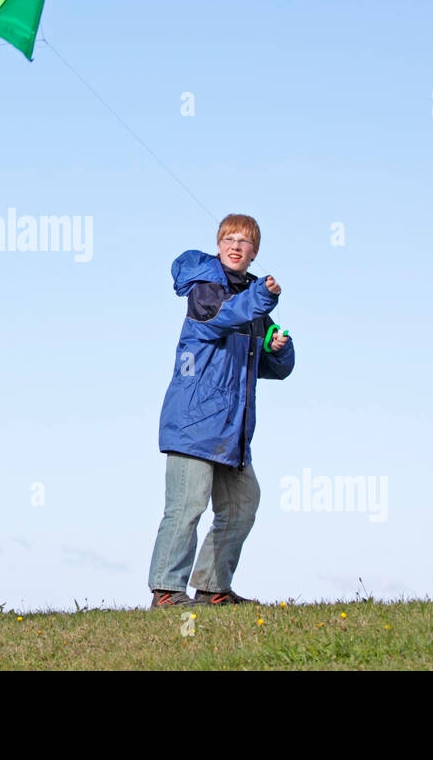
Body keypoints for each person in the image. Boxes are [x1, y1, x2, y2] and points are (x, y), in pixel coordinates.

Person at [148, 214, 295, 608]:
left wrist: (277, 349)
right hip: (193, 422)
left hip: (233, 431)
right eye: (228, 238)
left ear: (254, 252)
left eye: (244, 242)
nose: (235, 246)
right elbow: (222, 317)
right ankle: (166, 591)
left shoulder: (252, 298)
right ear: (218, 246)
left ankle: (213, 589)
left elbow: (268, 366)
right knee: (186, 506)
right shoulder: (205, 289)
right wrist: (263, 299)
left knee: (243, 504)